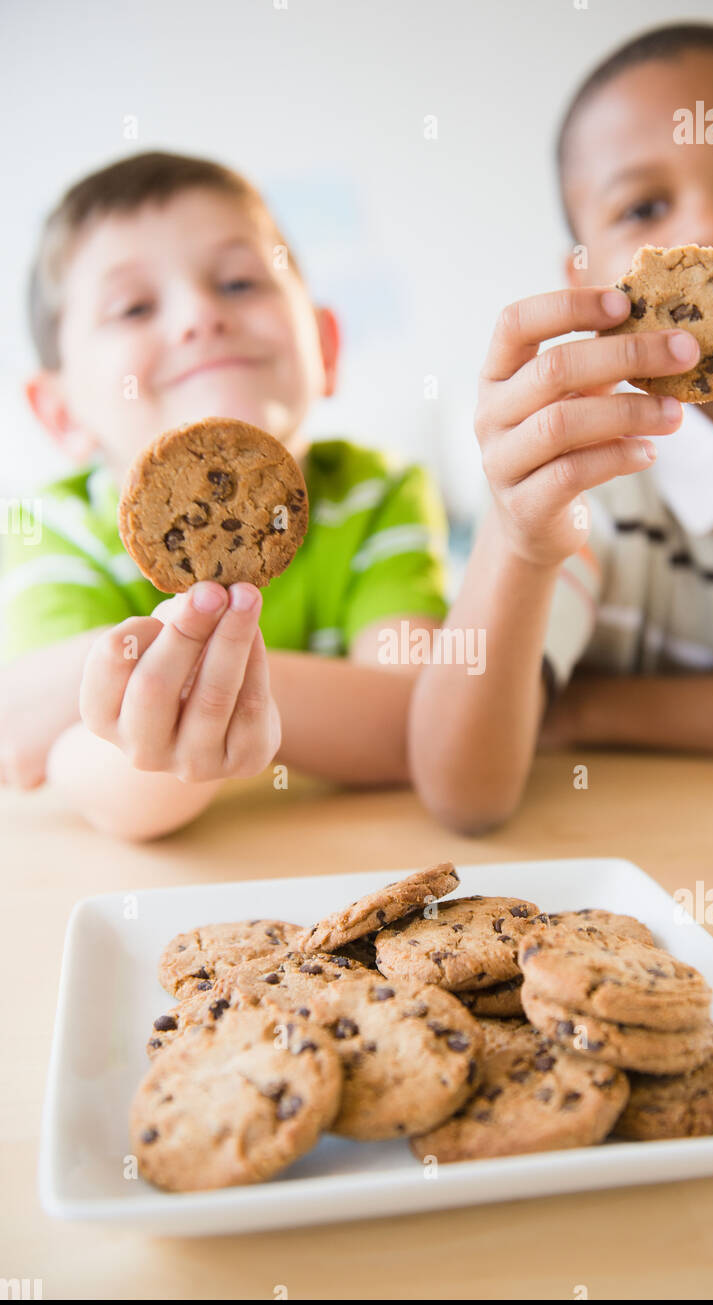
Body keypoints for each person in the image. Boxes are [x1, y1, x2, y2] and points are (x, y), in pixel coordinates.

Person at [409, 21, 713, 834]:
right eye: (645, 206)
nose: (710, 232)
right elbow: (462, 793)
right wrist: (519, 540)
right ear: (584, 278)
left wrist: (586, 711)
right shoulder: (580, 461)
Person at [0, 151, 448, 838]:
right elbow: (66, 760)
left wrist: (131, 670)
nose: (200, 316)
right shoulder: (50, 529)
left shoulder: (380, 495)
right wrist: (170, 739)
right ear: (60, 412)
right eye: (134, 306)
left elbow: (418, 722)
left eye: (239, 283)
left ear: (325, 346)